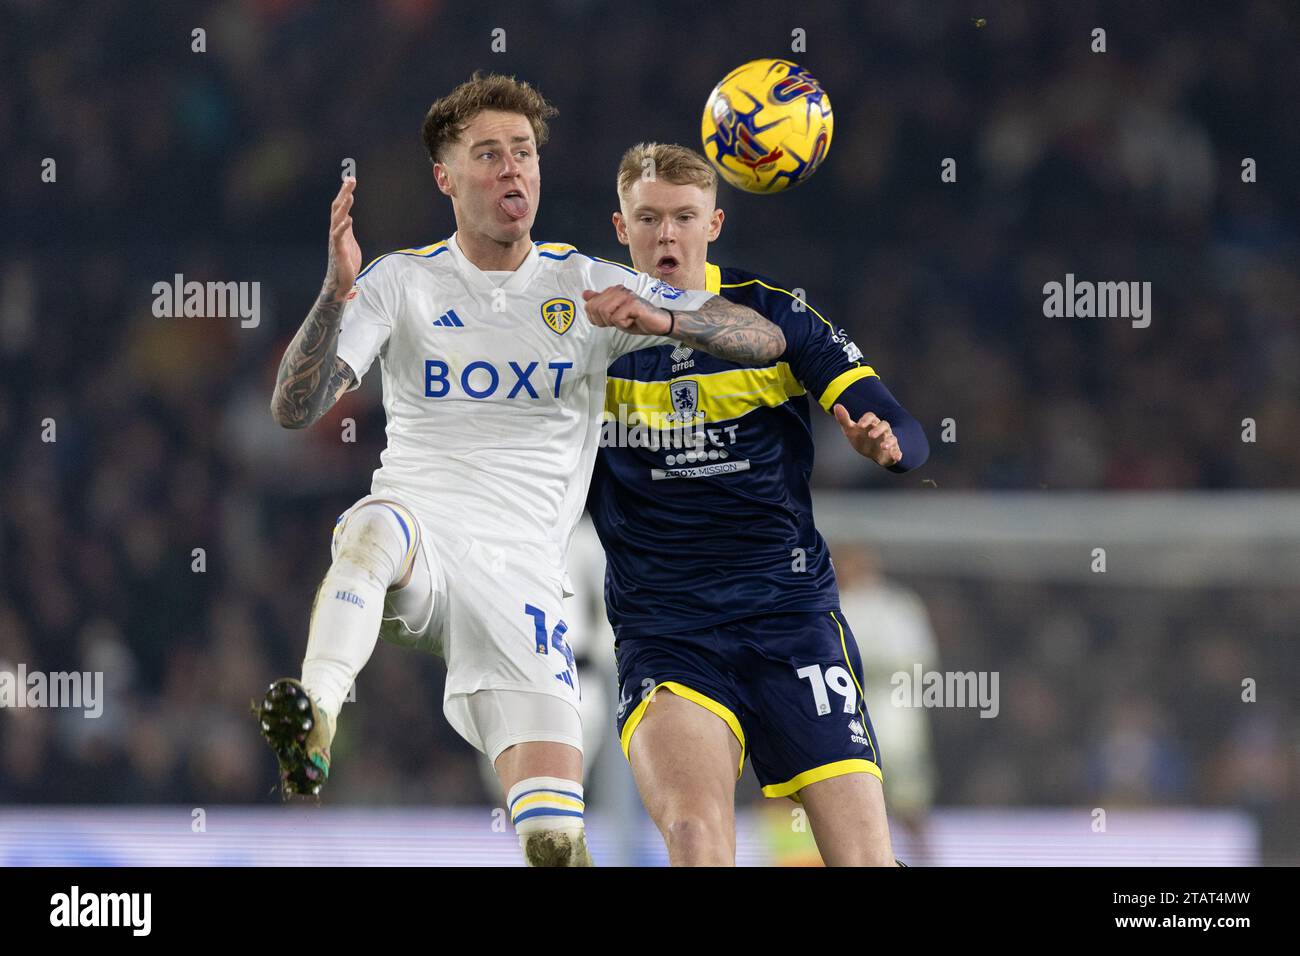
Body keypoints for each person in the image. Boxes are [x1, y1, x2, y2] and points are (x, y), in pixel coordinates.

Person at [256, 77, 784, 867]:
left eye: (525, 153)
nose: (513, 171)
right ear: (446, 177)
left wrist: (663, 317)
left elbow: (762, 338)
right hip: (422, 539)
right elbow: (295, 411)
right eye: (489, 154)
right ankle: (319, 712)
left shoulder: (586, 285)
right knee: (369, 529)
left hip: (527, 586)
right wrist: (335, 296)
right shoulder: (400, 283)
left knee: (553, 842)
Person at [587, 142, 928, 865]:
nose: (666, 236)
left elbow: (904, 430)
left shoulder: (776, 316)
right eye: (648, 219)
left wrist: (883, 445)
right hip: (667, 631)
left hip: (791, 619)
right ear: (621, 229)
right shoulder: (583, 334)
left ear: (715, 222)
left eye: (684, 217)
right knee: (695, 836)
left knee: (865, 858)